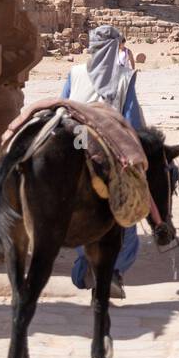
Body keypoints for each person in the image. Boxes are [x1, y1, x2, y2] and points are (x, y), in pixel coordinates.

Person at [62, 23, 146, 298]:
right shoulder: (125, 77)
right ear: (117, 47)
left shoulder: (74, 74)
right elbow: (132, 120)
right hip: (111, 156)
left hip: (75, 153)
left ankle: (84, 263)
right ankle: (113, 271)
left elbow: (62, 109)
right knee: (130, 208)